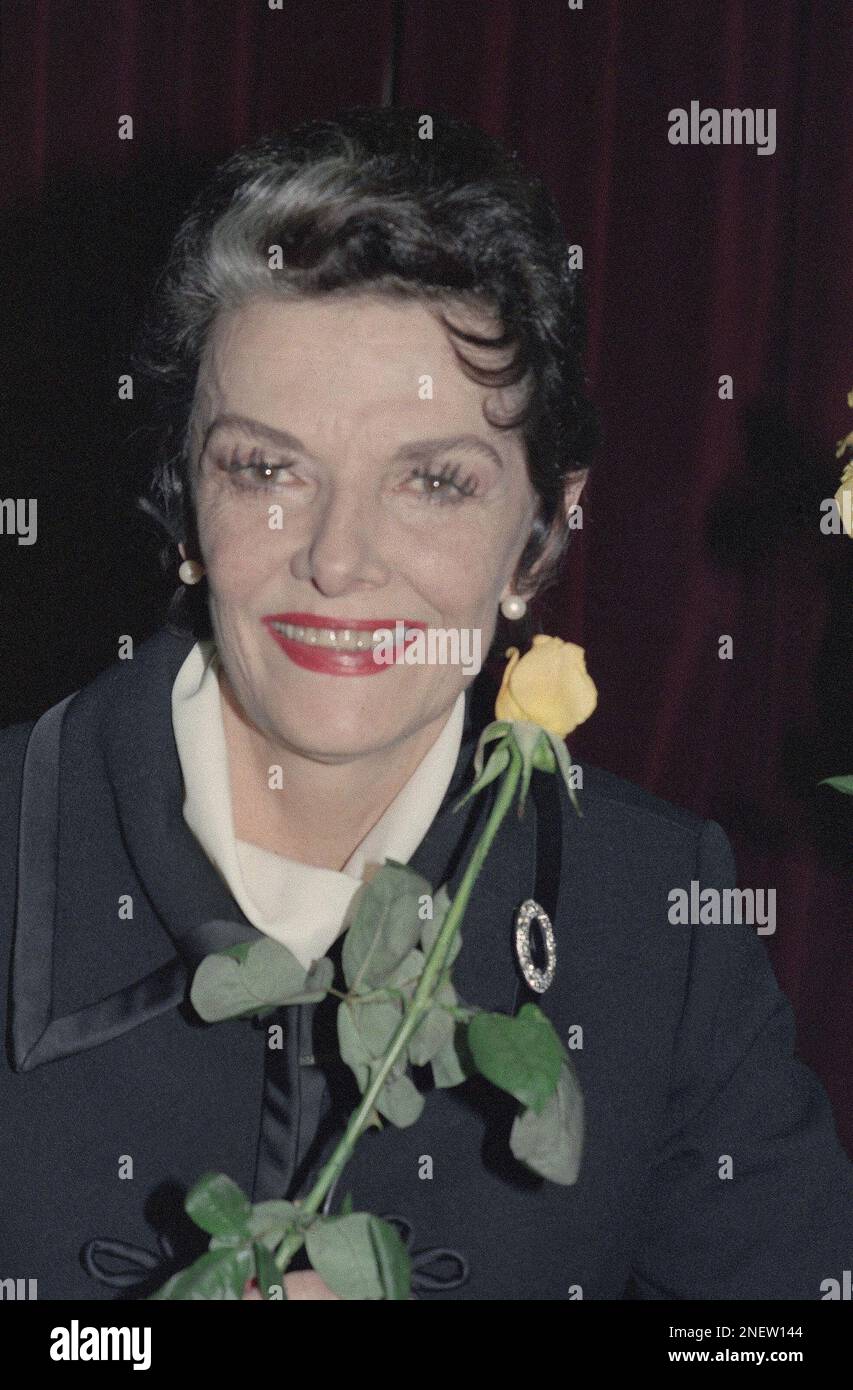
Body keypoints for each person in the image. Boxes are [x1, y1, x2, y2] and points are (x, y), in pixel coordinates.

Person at [1, 107, 850, 1302]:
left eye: (434, 482)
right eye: (267, 468)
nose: (340, 562)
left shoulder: (658, 927)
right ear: (183, 505)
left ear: (537, 539)